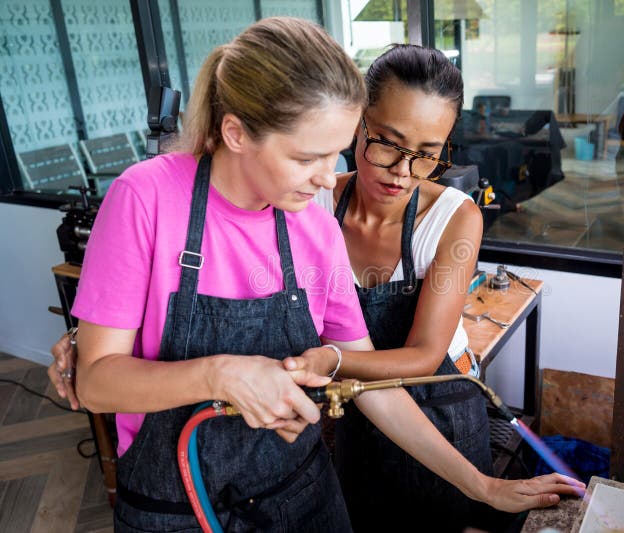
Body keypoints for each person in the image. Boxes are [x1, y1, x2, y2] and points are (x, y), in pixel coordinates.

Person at [49, 17, 584, 533]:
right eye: (309, 157)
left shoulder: (310, 220)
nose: (329, 177)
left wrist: (480, 485)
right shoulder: (146, 198)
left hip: (298, 494)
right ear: (235, 132)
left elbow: (372, 382)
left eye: (335, 153)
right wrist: (220, 373)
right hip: (174, 503)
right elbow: (96, 382)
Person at [300, 44, 506, 532]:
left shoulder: (455, 217)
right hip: (356, 410)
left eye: (427, 155)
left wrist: (325, 360)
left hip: (441, 411)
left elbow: (421, 354)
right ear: (357, 124)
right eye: (388, 143)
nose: (403, 171)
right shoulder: (314, 202)